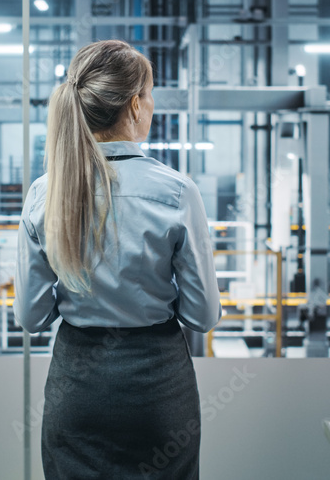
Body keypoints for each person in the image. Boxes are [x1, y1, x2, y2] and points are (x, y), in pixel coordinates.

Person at [15, 39, 221, 479]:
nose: (151, 105)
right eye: (150, 94)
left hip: (78, 386)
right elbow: (202, 315)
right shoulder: (177, 192)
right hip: (158, 389)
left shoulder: (44, 193)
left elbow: (32, 317)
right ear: (133, 104)